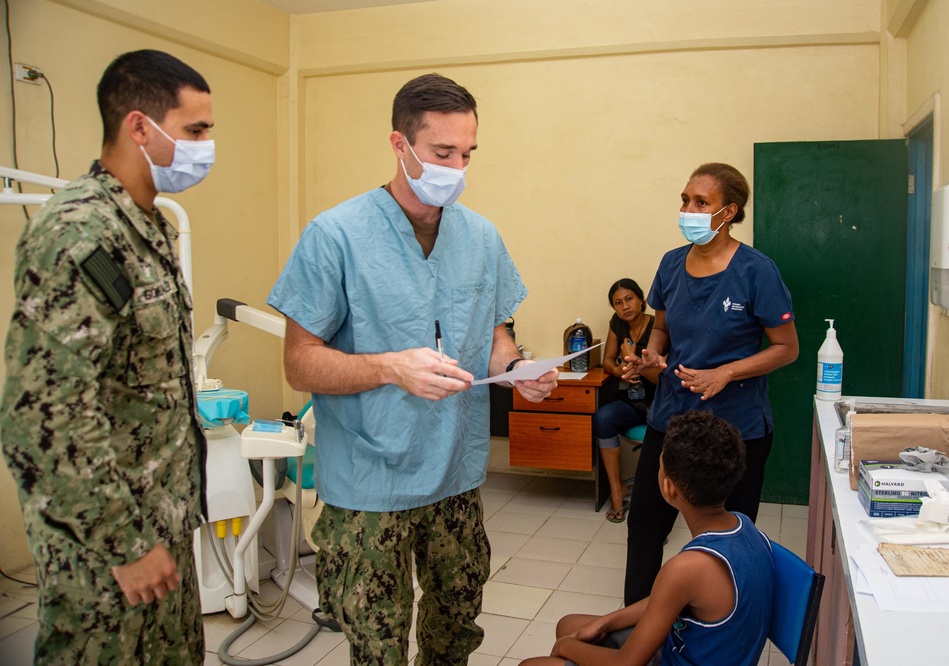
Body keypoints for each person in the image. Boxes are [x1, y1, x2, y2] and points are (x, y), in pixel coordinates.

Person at [266, 73, 559, 664]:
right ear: (400, 145)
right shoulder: (336, 236)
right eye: (442, 153)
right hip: (371, 485)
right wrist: (389, 368)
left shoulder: (480, 237)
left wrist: (519, 368)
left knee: (455, 631)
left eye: (468, 153)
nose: (457, 166)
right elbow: (299, 364)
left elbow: (495, 333)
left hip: (455, 474)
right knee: (378, 643)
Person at [0, 50, 214, 662]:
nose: (207, 146)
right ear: (139, 127)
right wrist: (123, 543)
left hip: (160, 523)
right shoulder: (80, 232)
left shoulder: (150, 227)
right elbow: (41, 418)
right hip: (105, 549)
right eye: (195, 130)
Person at [622, 162, 798, 605]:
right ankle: (639, 622)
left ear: (729, 211)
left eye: (701, 202)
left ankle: (722, 617)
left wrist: (728, 372)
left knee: (730, 536)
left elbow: (786, 348)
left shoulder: (757, 270)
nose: (688, 209)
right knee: (645, 524)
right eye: (685, 200)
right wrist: (652, 354)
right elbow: (661, 328)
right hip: (672, 419)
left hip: (734, 428)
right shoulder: (670, 264)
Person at [520, 410, 774, 666]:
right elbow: (665, 600)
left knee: (531, 664)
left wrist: (567, 647)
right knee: (570, 624)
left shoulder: (686, 568)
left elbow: (625, 664)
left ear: (669, 487)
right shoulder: (745, 527)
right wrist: (605, 623)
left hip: (669, 656)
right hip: (693, 648)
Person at [596, 278, 656, 523]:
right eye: (618, 303)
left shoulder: (658, 326)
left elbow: (665, 376)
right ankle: (617, 490)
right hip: (632, 399)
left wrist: (633, 361)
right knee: (603, 418)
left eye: (629, 299)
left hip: (659, 400)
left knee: (663, 429)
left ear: (641, 299)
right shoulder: (617, 324)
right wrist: (622, 370)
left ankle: (654, 502)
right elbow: (608, 361)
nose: (625, 307)